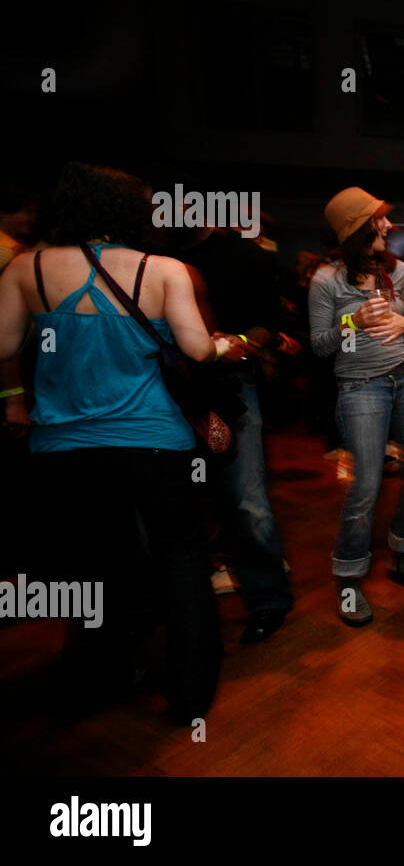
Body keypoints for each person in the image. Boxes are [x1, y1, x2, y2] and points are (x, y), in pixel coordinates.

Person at [0, 162, 223, 722]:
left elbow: (2, 345)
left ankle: (102, 675)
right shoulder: (163, 269)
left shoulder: (27, 268)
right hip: (155, 441)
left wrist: (14, 398)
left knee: (95, 564)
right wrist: (230, 345)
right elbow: (197, 351)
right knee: (183, 560)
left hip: (65, 448)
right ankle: (189, 694)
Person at [309, 187, 404, 626]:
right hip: (362, 388)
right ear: (355, 230)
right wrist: (352, 321)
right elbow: (321, 346)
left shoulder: (397, 272)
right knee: (366, 487)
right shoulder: (326, 280)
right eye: (378, 220)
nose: (387, 226)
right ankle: (348, 577)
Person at [177, 224, 296, 644]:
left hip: (231, 384)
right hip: (166, 386)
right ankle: (182, 613)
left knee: (246, 497)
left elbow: (268, 323)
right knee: (181, 502)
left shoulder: (244, 256)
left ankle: (268, 599)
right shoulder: (146, 255)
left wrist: (240, 342)